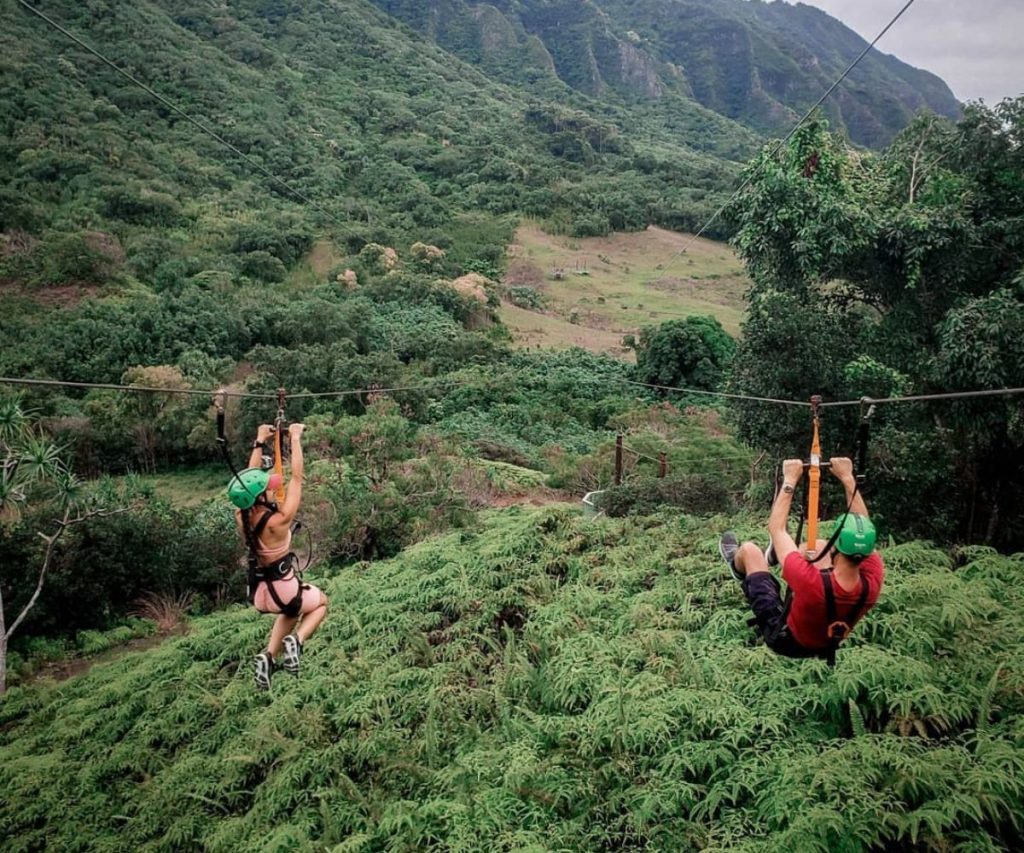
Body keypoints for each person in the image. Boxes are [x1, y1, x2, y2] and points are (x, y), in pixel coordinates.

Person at [718, 457, 884, 662]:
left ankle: (738, 567)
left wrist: (790, 480)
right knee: (818, 546)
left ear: (838, 546)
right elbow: (863, 525)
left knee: (750, 551)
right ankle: (779, 554)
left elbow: (776, 528)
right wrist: (847, 479)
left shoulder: (810, 582)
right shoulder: (872, 581)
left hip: (784, 636)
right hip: (825, 641)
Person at [227, 423, 328, 690]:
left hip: (260, 593)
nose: (272, 487)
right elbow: (296, 478)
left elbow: (247, 481)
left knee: (292, 611)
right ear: (261, 495)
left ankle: (268, 657)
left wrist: (260, 440)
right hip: (282, 587)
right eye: (267, 486)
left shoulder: (242, 516)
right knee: (321, 605)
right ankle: (298, 641)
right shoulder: (279, 521)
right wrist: (294, 438)